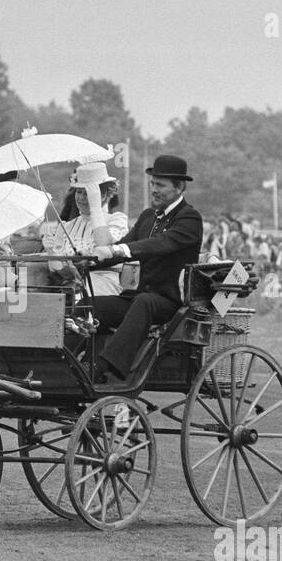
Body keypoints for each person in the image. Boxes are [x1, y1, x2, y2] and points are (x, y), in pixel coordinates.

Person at [88, 154, 203, 391]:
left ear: (180, 187)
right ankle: (71, 363)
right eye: (152, 183)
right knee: (89, 305)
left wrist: (115, 249)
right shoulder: (147, 216)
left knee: (144, 301)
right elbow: (121, 249)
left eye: (160, 185)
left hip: (169, 303)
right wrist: (84, 263)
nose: (154, 189)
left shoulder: (189, 218)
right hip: (138, 299)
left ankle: (104, 367)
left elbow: (160, 244)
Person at [39, 161, 128, 297]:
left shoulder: (116, 219)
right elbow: (56, 270)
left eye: (87, 193)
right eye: (78, 192)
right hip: (70, 287)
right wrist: (51, 251)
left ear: (103, 195)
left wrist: (95, 206)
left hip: (101, 285)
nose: (80, 198)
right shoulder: (67, 226)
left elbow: (103, 243)